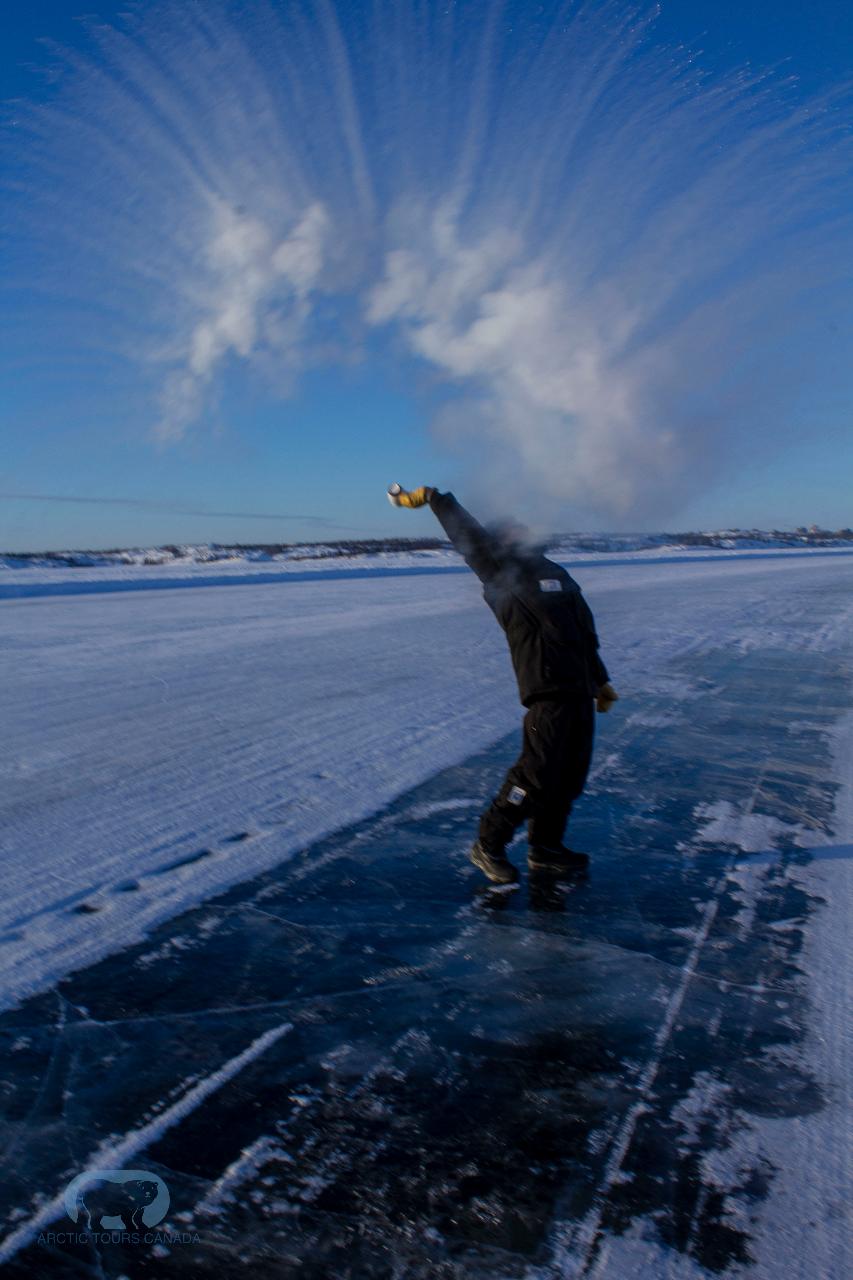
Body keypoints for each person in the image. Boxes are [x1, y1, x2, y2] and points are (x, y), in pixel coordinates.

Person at [388, 483, 618, 884]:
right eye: (510, 530)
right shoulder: (502, 574)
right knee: (536, 774)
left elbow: (583, 633)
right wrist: (437, 500)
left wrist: (600, 680)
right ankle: (488, 845)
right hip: (545, 690)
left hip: (579, 690)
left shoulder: (555, 573)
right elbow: (469, 537)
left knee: (568, 777)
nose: (521, 532)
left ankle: (545, 849)